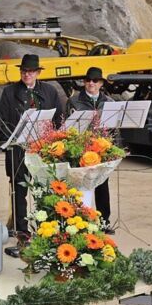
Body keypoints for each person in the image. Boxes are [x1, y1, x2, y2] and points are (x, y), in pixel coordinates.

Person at [0, 54, 62, 258]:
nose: (27, 74)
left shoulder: (50, 91)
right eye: (24, 71)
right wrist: (13, 139)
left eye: (31, 71)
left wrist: (53, 141)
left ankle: (46, 231)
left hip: (43, 149)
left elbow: (59, 119)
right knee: (19, 191)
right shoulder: (9, 92)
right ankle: (22, 234)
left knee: (46, 190)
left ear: (38, 73)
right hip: (19, 150)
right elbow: (2, 121)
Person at [65, 66, 112, 228]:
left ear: (101, 83)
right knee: (80, 185)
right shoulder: (73, 101)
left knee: (102, 184)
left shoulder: (109, 102)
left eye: (95, 80)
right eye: (88, 80)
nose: (91, 83)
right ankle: (80, 221)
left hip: (102, 148)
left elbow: (114, 129)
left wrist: (112, 148)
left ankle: (104, 221)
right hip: (81, 148)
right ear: (84, 82)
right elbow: (67, 128)